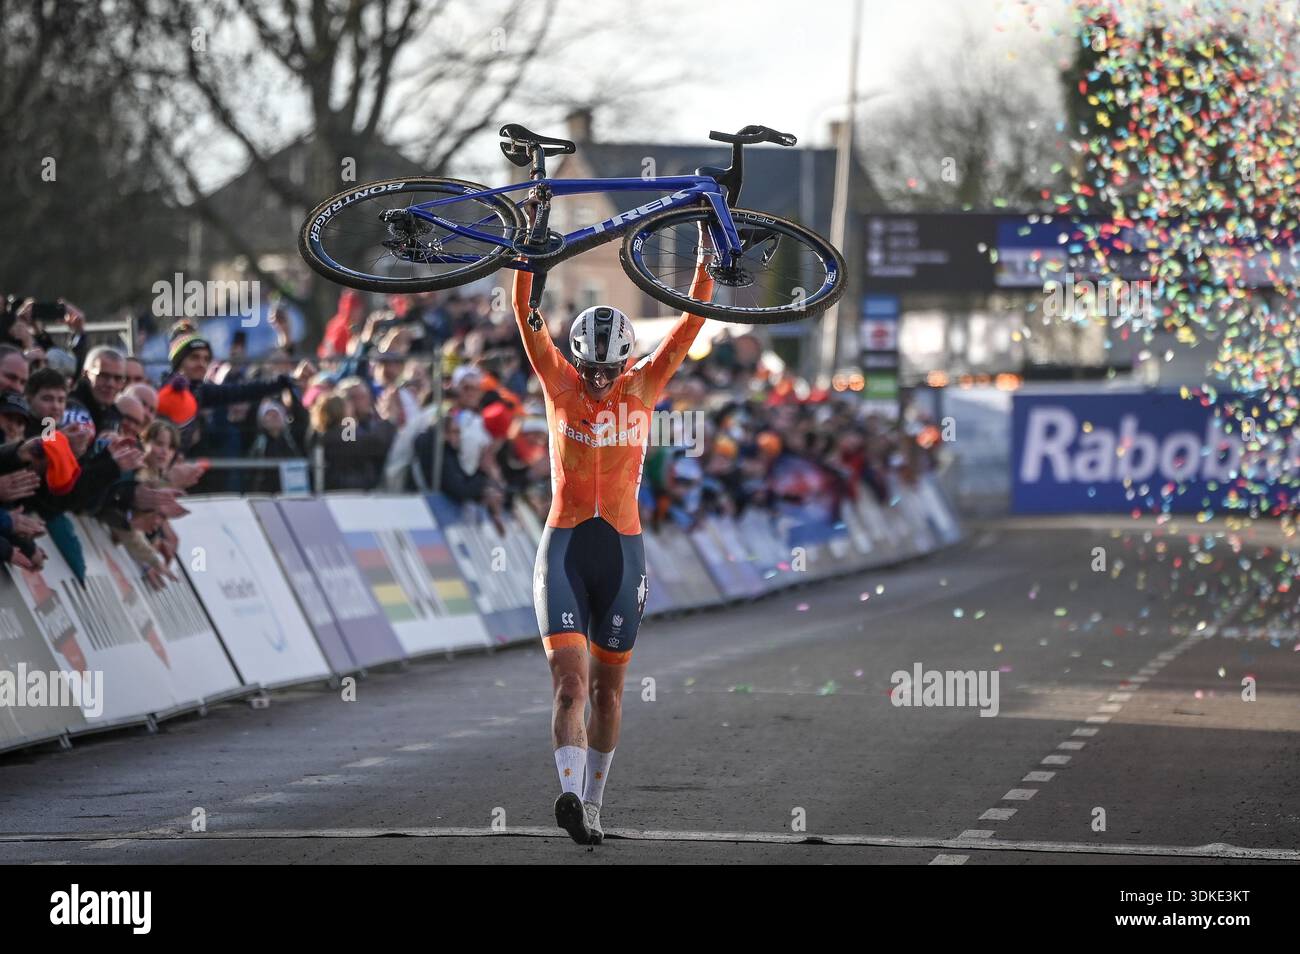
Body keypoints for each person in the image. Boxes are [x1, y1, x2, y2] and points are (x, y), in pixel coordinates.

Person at [513, 240, 713, 846]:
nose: (599, 381)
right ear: (577, 360)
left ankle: (596, 803)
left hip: (623, 553)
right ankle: (570, 794)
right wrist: (529, 257)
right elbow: (524, 314)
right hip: (567, 546)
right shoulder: (559, 385)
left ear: (625, 364)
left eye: (609, 371)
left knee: (608, 691)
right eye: (591, 369)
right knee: (569, 683)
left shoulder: (645, 384)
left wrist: (706, 249)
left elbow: (692, 319)